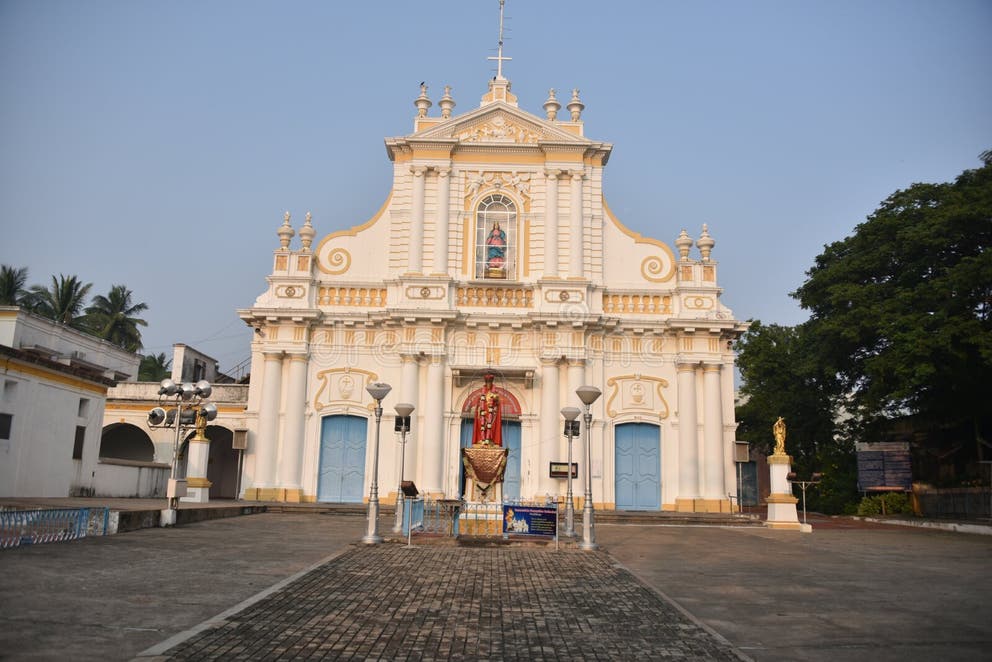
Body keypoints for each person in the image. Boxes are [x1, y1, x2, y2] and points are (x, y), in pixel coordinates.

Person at [472, 373, 503, 446]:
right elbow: (479, 404)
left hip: (491, 414)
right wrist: (479, 409)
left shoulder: (495, 393)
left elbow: (498, 402)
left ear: (492, 383)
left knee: (491, 427)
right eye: (487, 382)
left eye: (490, 382)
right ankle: (481, 440)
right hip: (483, 413)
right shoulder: (482, 393)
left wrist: (495, 397)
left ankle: (490, 440)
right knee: (481, 426)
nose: (488, 384)